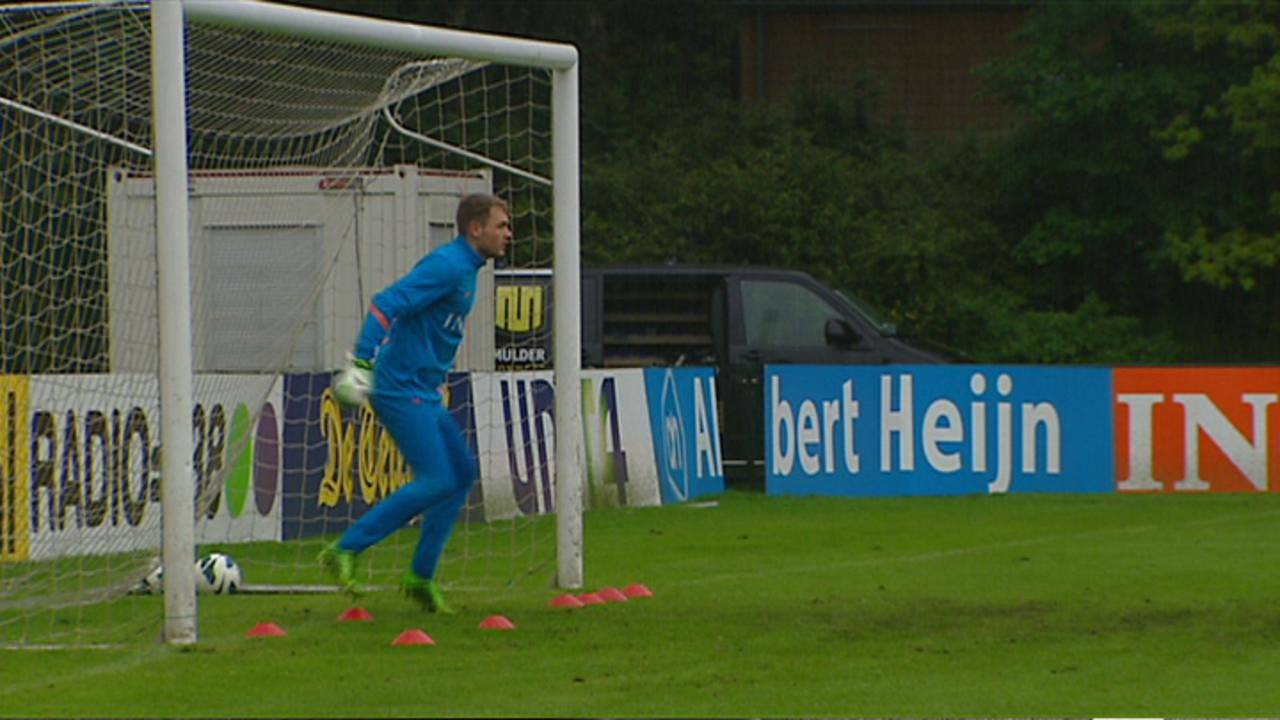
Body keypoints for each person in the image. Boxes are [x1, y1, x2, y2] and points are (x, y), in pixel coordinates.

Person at [319, 192, 511, 613]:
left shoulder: (468, 268)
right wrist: (364, 362)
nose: (507, 234)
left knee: (460, 474)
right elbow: (386, 303)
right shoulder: (447, 265)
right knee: (438, 478)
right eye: (501, 225)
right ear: (475, 228)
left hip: (423, 389)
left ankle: (421, 576)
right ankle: (345, 549)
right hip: (397, 386)